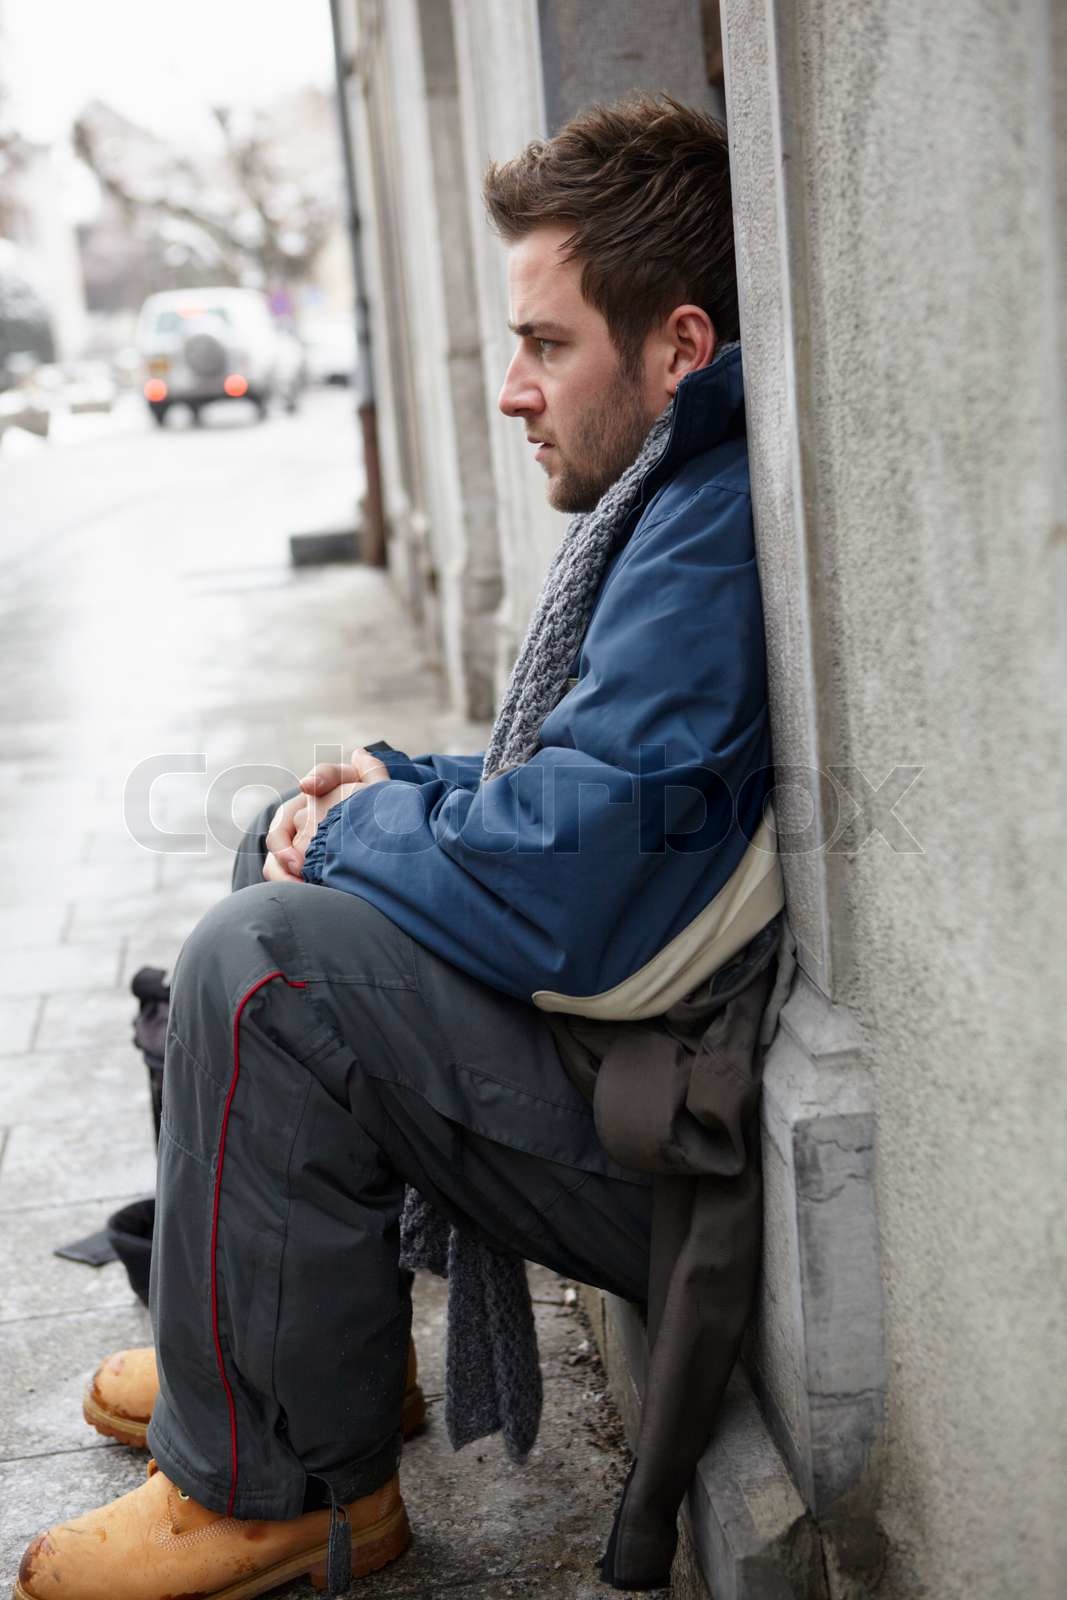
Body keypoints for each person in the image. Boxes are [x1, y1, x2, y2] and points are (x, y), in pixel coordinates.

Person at [14, 94, 784, 1600]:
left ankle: (287, 1488)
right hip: (607, 1058)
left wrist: (367, 825)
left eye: (547, 344)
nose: (511, 389)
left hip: (654, 1135)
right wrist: (395, 784)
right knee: (283, 840)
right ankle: (283, 1366)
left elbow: (576, 883)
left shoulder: (703, 532)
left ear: (679, 347)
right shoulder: (671, 499)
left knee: (266, 961)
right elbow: (583, 784)